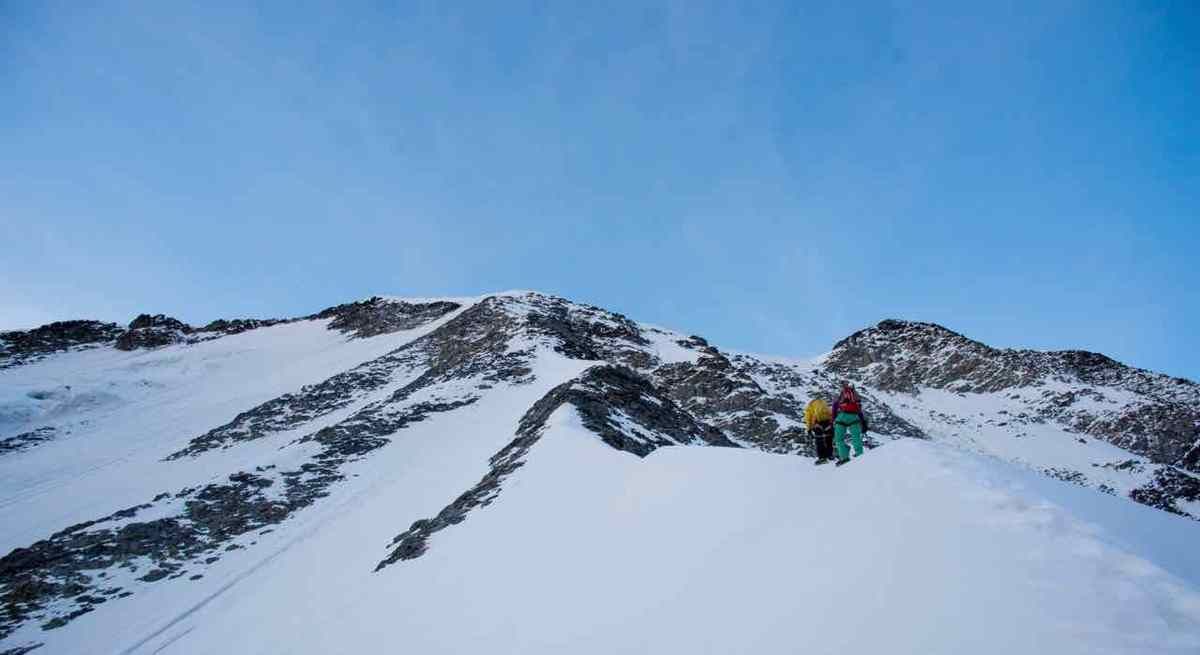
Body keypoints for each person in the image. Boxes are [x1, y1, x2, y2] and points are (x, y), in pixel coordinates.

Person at [831, 382, 869, 466]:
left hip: (841, 418)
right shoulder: (855, 396)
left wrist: (833, 421)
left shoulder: (840, 395)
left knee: (839, 439)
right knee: (856, 437)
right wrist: (863, 422)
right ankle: (860, 455)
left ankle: (844, 457)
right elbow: (859, 410)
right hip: (854, 417)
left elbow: (834, 408)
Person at [804, 398, 835, 465]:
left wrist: (809, 429)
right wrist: (832, 425)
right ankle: (830, 455)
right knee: (828, 439)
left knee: (819, 440)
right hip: (828, 422)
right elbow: (830, 413)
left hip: (817, 423)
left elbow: (808, 418)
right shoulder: (824, 403)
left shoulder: (810, 406)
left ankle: (822, 458)